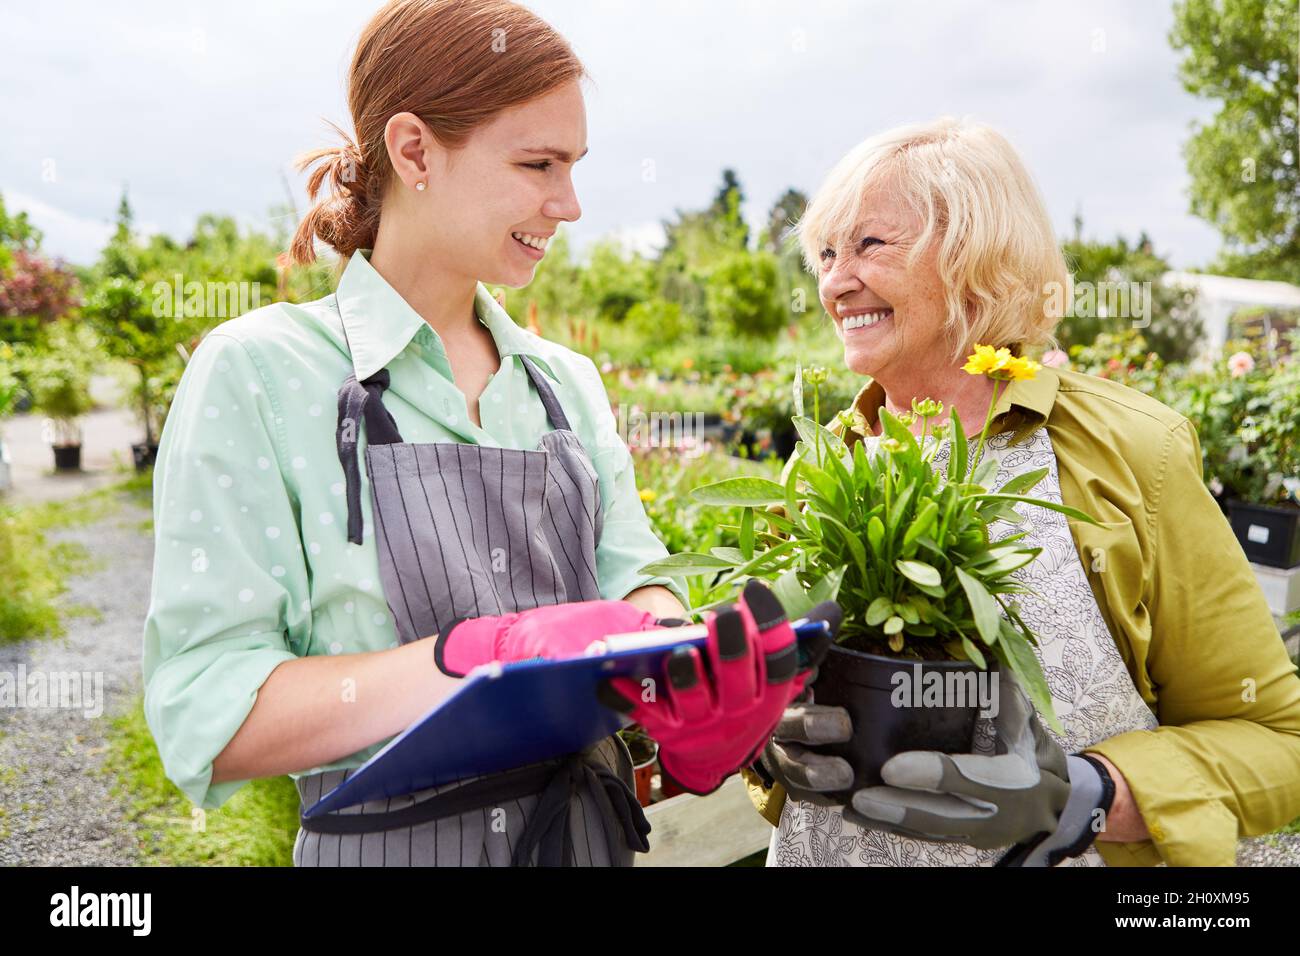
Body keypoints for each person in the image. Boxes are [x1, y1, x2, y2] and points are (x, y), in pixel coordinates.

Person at [141, 0, 827, 868]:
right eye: (538, 163)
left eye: (574, 166)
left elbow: (638, 579)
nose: (569, 203)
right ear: (414, 149)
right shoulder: (262, 375)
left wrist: (682, 675)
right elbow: (208, 710)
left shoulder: (562, 382)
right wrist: (473, 659)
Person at [742, 116, 1300, 867]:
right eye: (826, 254)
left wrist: (1093, 795)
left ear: (976, 253)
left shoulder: (1131, 450)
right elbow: (778, 720)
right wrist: (764, 744)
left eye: (870, 245)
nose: (836, 283)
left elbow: (1277, 742)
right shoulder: (823, 466)